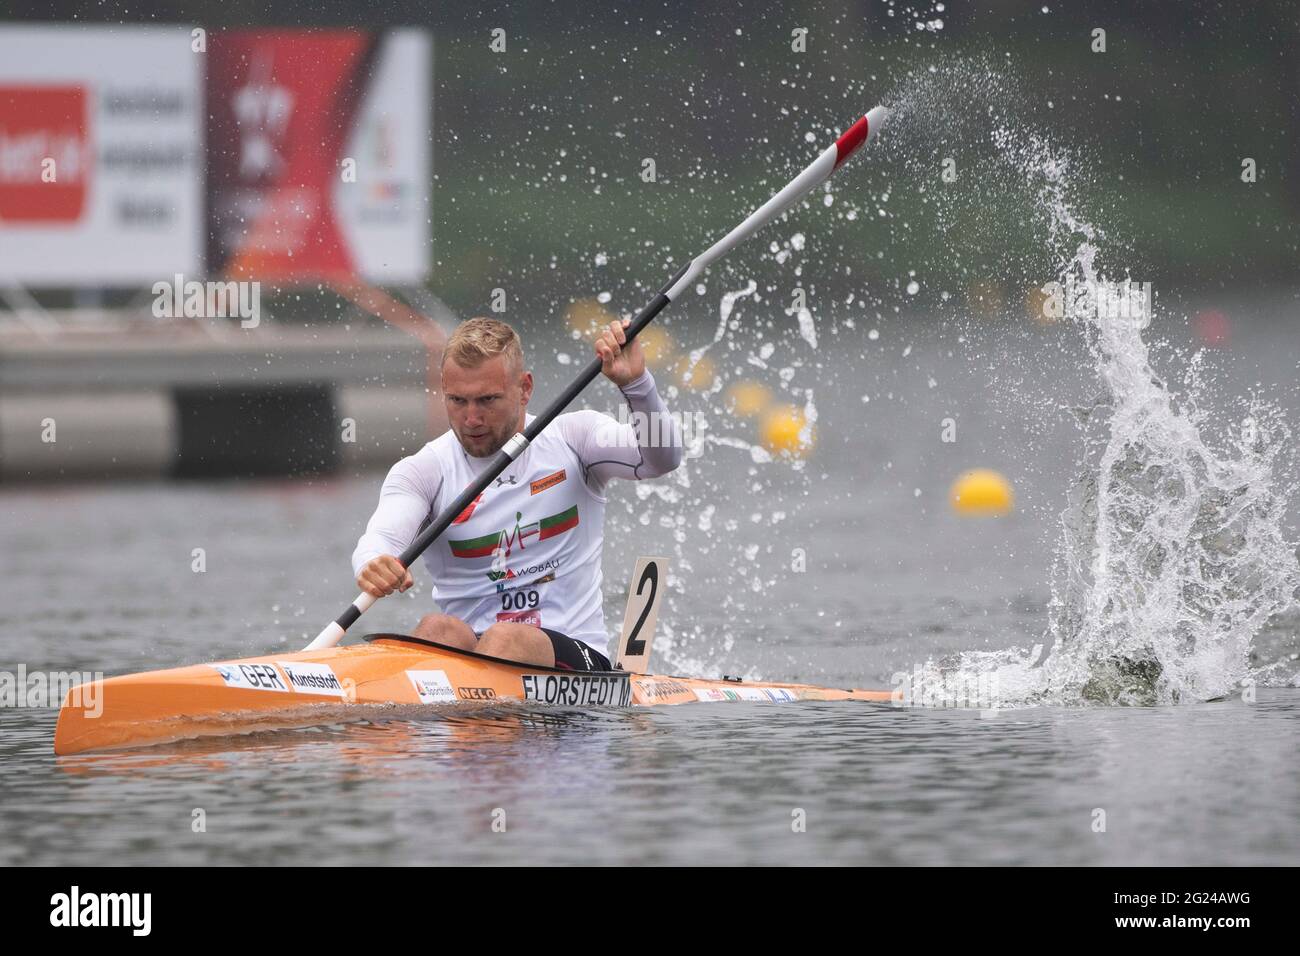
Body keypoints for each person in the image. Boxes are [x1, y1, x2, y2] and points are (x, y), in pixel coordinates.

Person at [352, 316, 682, 670]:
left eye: (487, 400)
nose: (471, 419)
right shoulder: (424, 470)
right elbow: (381, 537)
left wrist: (637, 386)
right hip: (470, 654)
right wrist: (375, 563)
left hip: (575, 660)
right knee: (437, 630)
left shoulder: (575, 439)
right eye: (457, 401)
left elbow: (661, 459)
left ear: (525, 388)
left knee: (507, 637)